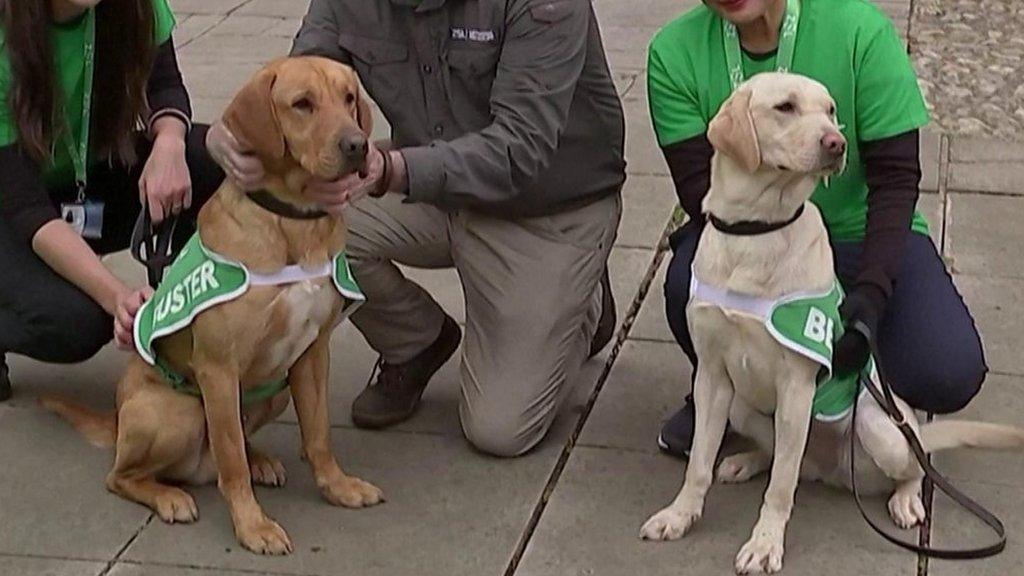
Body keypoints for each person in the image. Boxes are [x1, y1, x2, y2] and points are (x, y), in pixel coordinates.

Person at [207, 0, 625, 458]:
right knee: (302, 224)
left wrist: (390, 170)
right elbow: (304, 79)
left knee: (500, 429)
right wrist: (226, 138)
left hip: (544, 207)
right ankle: (414, 340)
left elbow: (522, 148)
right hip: (426, 179)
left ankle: (584, 302)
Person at [648, 0, 988, 458]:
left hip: (861, 234)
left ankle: (854, 399)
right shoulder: (673, 53)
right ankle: (735, 392)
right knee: (685, 286)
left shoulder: (862, 32)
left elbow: (895, 178)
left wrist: (871, 293)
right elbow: (698, 192)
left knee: (947, 369)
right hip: (755, 237)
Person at [0, 0, 223, 401]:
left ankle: (195, 323)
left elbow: (165, 85)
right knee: (76, 323)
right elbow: (26, 207)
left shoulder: (135, 6)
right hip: (12, 202)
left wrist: (169, 144)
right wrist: (117, 296)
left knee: (208, 158)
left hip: (81, 181)